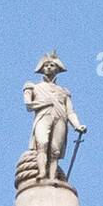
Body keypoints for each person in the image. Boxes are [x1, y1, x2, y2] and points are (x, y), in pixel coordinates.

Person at [23, 52, 87, 181]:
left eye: (51, 65)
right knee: (42, 143)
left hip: (60, 118)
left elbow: (70, 112)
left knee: (55, 150)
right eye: (46, 65)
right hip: (43, 116)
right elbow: (28, 105)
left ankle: (52, 178)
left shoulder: (64, 91)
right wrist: (45, 102)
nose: (48, 67)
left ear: (57, 69)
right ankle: (41, 172)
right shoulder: (34, 87)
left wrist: (77, 125)